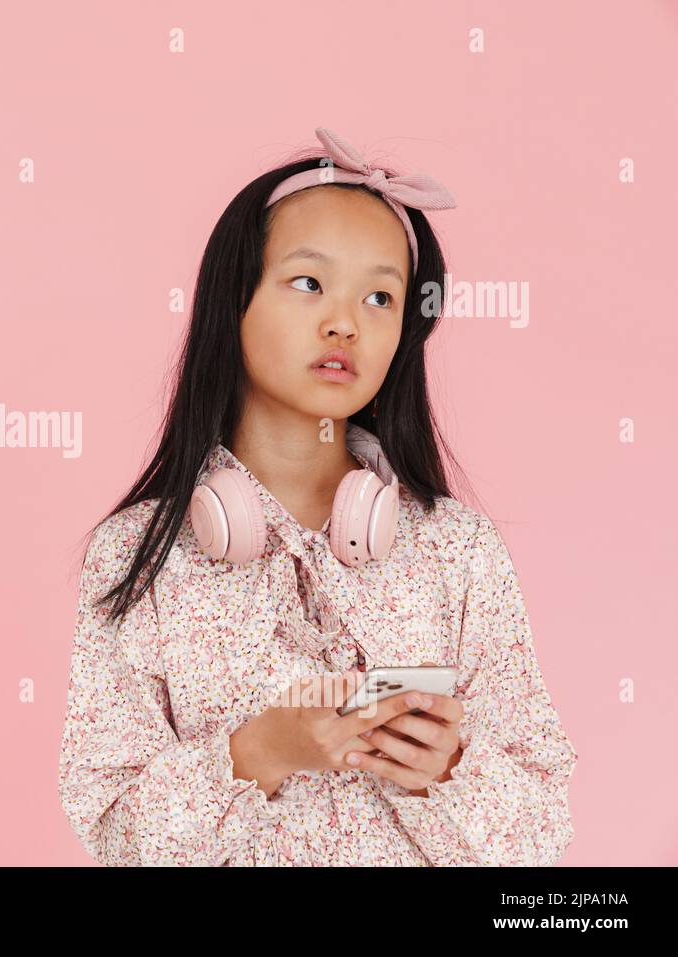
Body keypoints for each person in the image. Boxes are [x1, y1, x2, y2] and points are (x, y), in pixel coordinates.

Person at [57, 128, 578, 866]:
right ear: (232, 299)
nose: (346, 321)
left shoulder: (456, 550)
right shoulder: (138, 556)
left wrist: (451, 766)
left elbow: (543, 830)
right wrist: (256, 752)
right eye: (309, 283)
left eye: (380, 296)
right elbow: (113, 830)